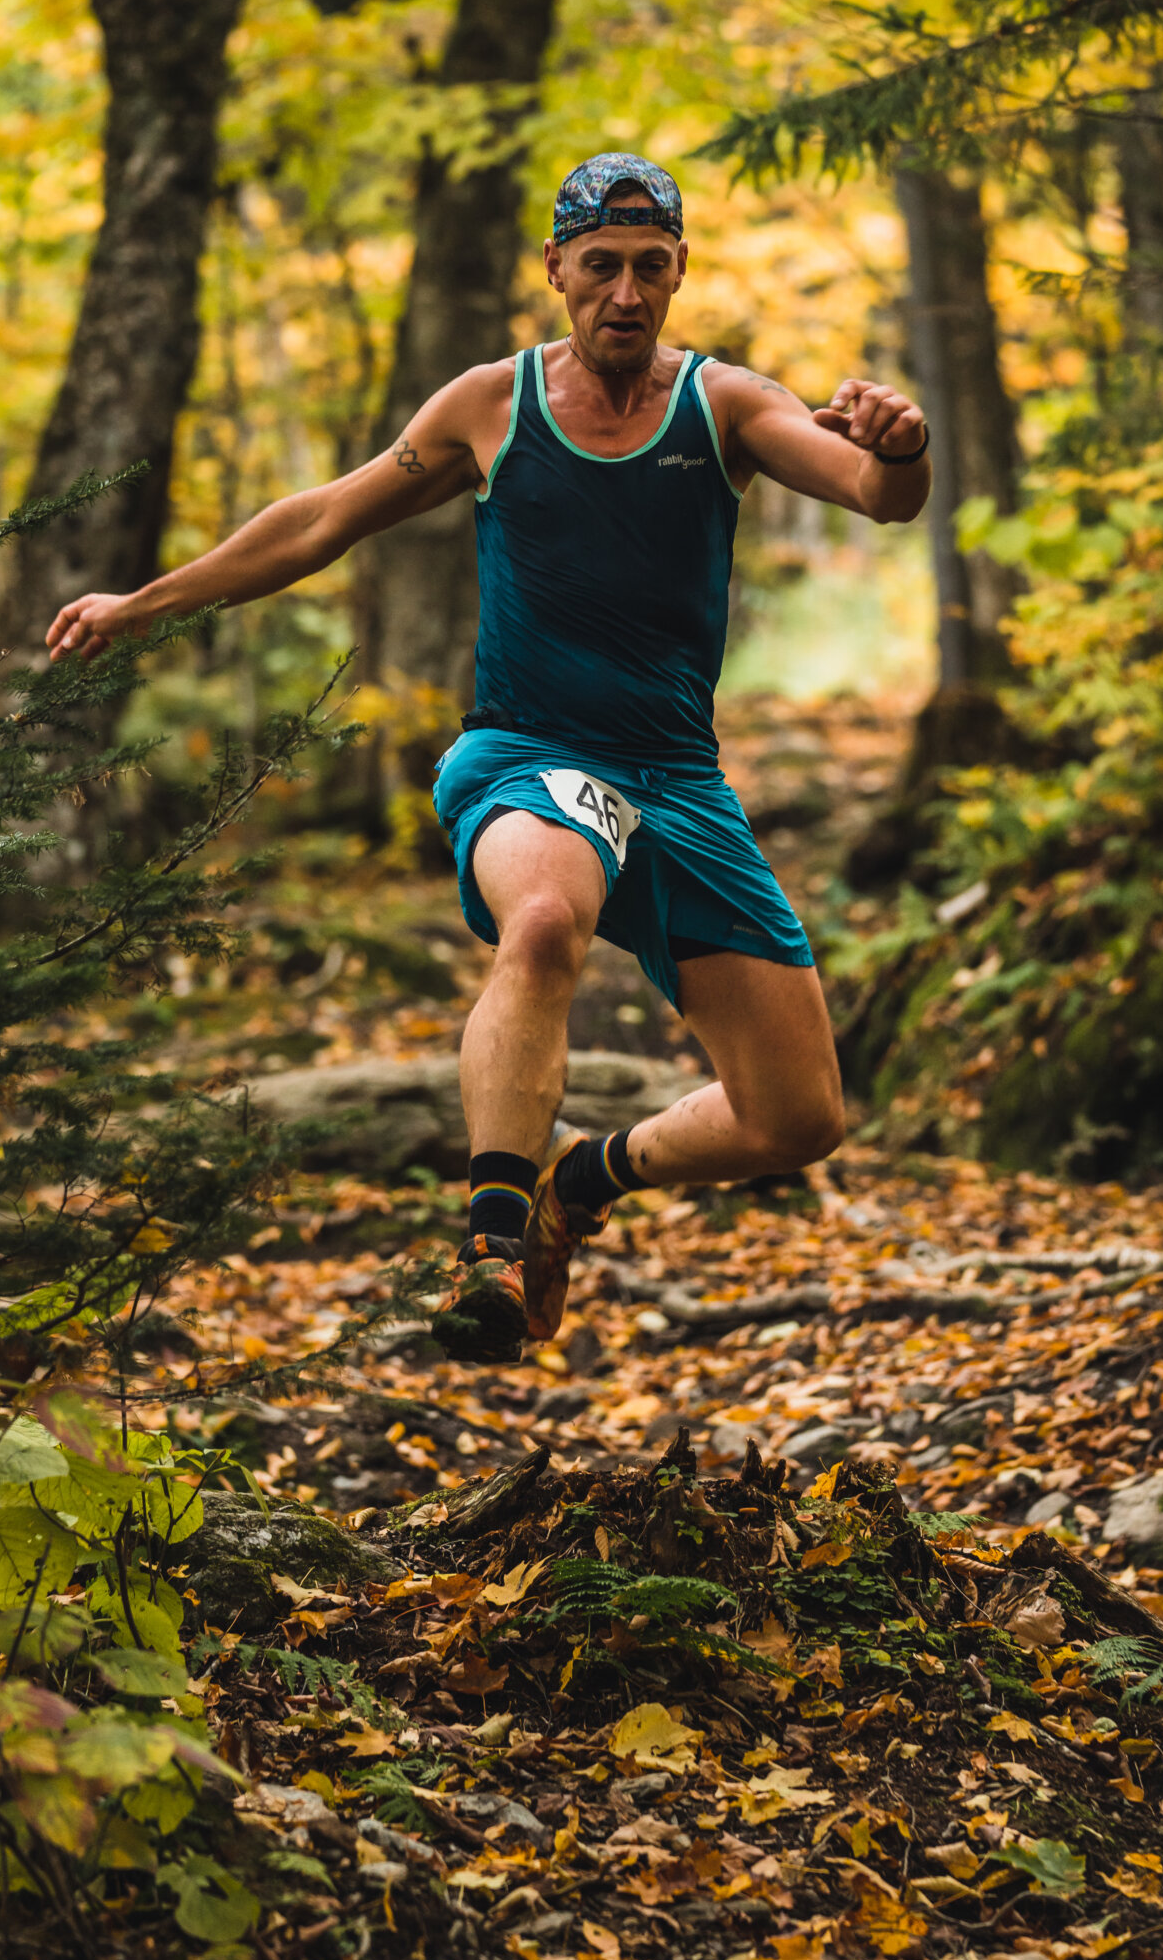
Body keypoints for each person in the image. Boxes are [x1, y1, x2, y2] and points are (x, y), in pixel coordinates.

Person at [48, 151, 931, 1359]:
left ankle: (580, 1187)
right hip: (526, 753)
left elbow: (879, 495)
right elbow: (320, 520)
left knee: (797, 1116)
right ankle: (495, 1250)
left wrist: (904, 441)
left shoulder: (724, 405)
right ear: (557, 269)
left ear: (680, 275)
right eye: (602, 266)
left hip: (676, 778)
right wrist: (141, 604)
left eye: (651, 268)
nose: (625, 291)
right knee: (545, 922)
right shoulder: (491, 405)